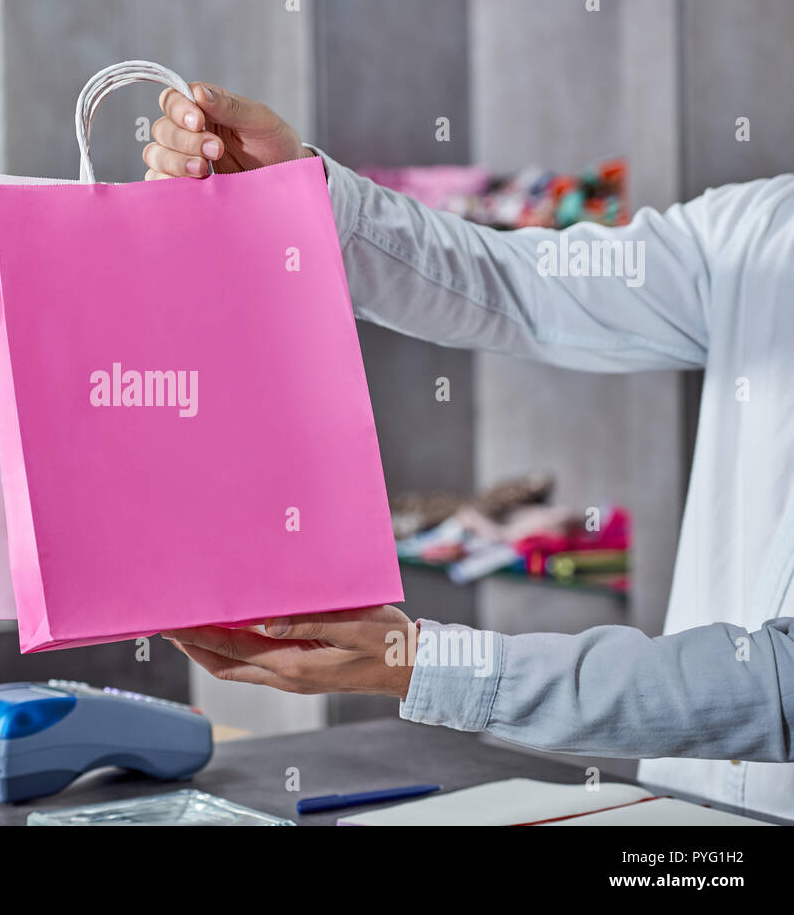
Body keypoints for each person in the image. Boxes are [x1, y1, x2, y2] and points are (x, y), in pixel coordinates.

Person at [145, 81, 794, 820]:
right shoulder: (766, 229)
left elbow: (776, 684)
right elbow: (519, 284)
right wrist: (302, 197)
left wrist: (428, 664)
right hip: (691, 814)